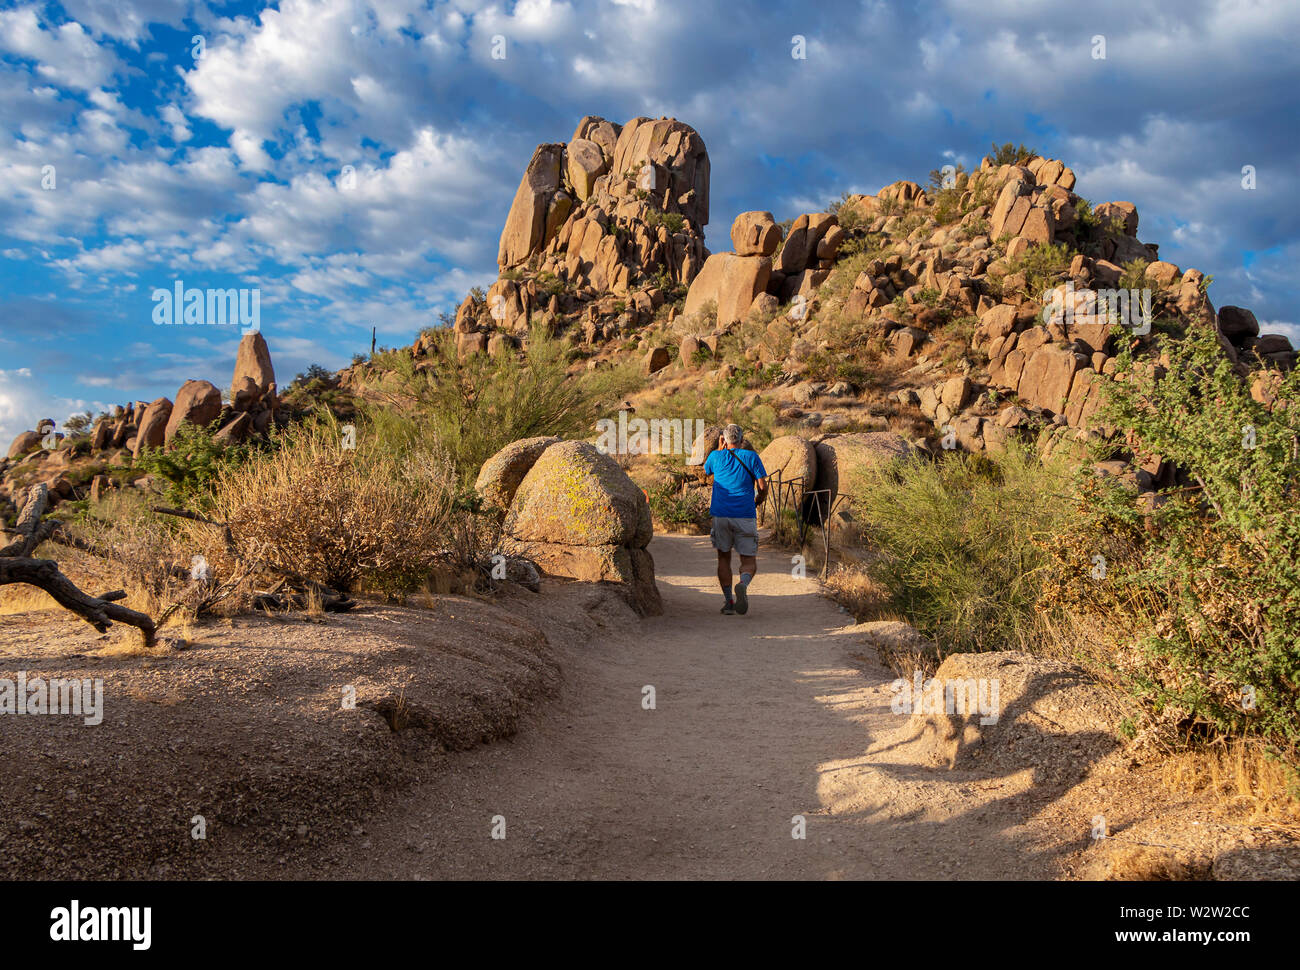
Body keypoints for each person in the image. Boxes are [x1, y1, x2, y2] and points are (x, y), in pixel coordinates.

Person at [703, 424, 769, 615]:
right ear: (742, 439)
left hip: (721, 515)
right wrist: (758, 499)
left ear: (724, 439)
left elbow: (707, 471)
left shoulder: (715, 457)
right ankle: (743, 584)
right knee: (748, 561)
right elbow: (763, 486)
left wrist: (718, 447)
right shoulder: (751, 457)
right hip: (745, 515)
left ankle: (728, 602)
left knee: (723, 559)